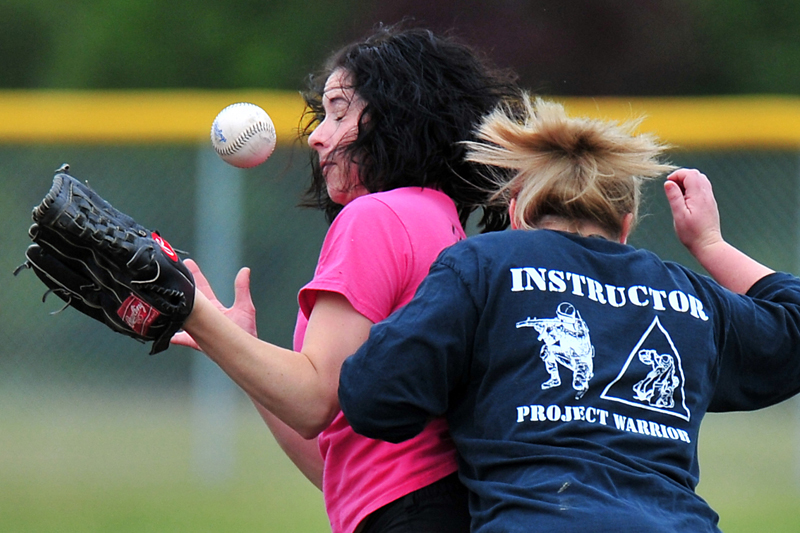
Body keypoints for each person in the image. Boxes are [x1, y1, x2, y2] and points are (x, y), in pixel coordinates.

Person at [337, 96, 800, 532]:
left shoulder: (486, 263)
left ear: (517, 212)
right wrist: (710, 244)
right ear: (624, 225)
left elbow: (374, 398)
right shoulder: (689, 295)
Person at [172, 23, 521, 533]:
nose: (317, 134)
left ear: (392, 120)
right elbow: (336, 464)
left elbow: (311, 402)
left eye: (339, 111)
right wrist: (235, 346)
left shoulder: (376, 216)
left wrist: (192, 311)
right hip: (430, 508)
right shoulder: (441, 219)